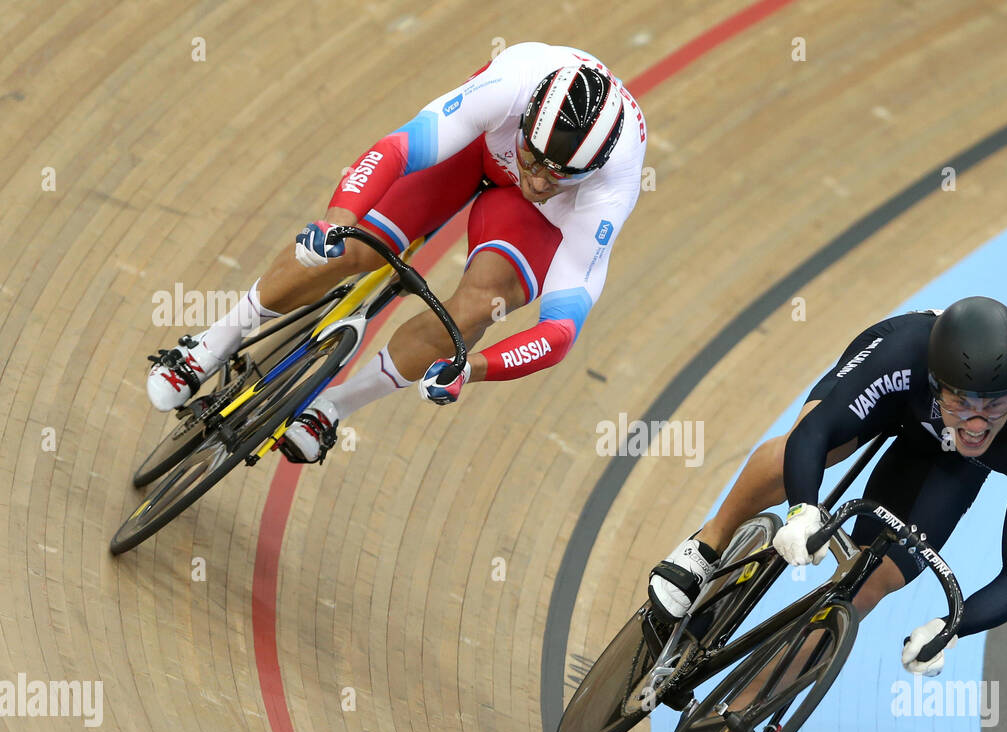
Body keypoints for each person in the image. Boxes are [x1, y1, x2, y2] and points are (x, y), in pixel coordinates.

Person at [651, 296, 1007, 732]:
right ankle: (707, 546)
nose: (978, 423)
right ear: (938, 385)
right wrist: (804, 510)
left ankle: (728, 722)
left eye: (994, 406)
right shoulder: (905, 354)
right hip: (896, 393)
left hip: (948, 464)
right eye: (962, 403)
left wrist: (951, 626)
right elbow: (817, 429)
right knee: (808, 450)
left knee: (869, 584)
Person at [145, 42, 646, 462]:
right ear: (528, 118)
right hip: (476, 149)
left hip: (539, 219)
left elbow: (558, 333)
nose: (537, 180)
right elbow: (398, 149)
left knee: (474, 310)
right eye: (533, 160)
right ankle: (212, 342)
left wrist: (470, 369)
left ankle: (335, 406)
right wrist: (336, 221)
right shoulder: (510, 84)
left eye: (557, 175)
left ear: (593, 168)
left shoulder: (611, 186)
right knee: (352, 249)